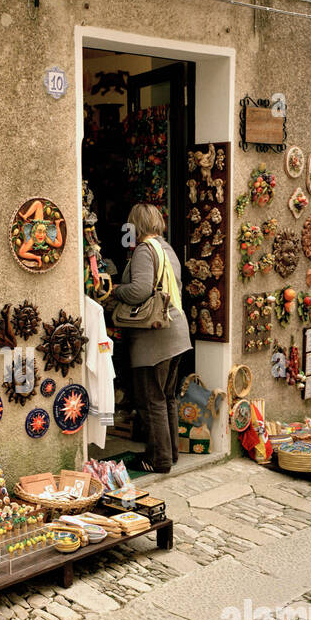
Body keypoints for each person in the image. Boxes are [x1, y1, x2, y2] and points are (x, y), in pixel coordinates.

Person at [111, 203, 191, 473]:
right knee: (167, 397)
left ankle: (159, 460)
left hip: (156, 338)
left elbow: (139, 291)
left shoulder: (145, 250)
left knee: (151, 399)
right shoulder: (166, 249)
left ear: (136, 224)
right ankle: (171, 454)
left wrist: (115, 290)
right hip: (177, 333)